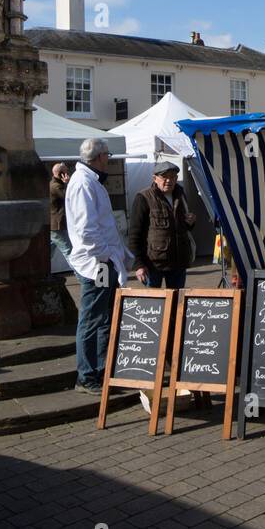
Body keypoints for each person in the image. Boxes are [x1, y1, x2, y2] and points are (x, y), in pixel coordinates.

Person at [65, 139, 132, 395]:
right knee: (93, 318)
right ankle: (87, 375)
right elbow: (86, 230)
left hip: (105, 262)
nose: (109, 159)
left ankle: (104, 370)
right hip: (98, 265)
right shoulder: (83, 182)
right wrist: (105, 256)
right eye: (107, 155)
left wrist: (119, 254)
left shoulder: (91, 180)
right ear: (100, 156)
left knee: (106, 317)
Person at [129, 162, 196, 290]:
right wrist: (138, 265)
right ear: (154, 178)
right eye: (164, 177)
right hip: (153, 264)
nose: (169, 181)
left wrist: (190, 222)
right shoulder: (143, 197)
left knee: (176, 303)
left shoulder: (180, 195)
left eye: (173, 177)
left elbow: (185, 227)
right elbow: (134, 234)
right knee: (153, 305)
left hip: (178, 262)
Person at [49, 163, 72, 264]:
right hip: (57, 225)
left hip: (54, 225)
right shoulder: (56, 186)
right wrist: (67, 183)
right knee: (69, 251)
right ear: (61, 174)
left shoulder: (54, 184)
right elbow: (69, 197)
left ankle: (43, 272)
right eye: (66, 172)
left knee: (48, 251)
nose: (68, 174)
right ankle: (84, 278)